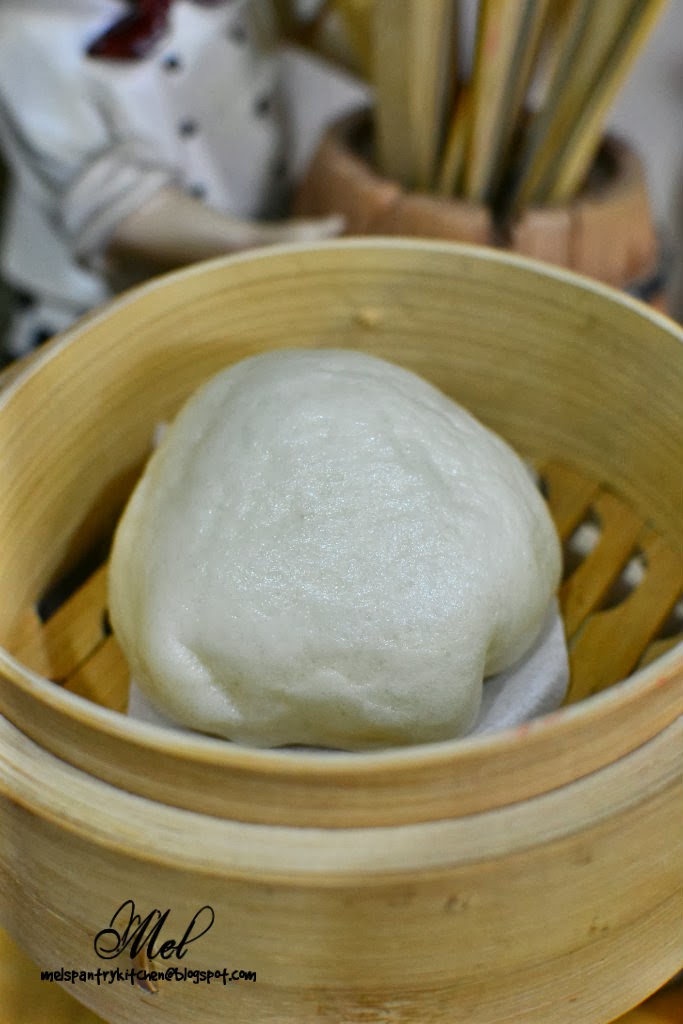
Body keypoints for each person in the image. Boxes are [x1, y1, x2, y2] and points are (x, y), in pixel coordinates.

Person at [0, 0, 356, 359]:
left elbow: (311, 22)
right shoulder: (25, 33)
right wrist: (257, 243)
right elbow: (113, 203)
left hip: (262, 236)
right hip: (109, 309)